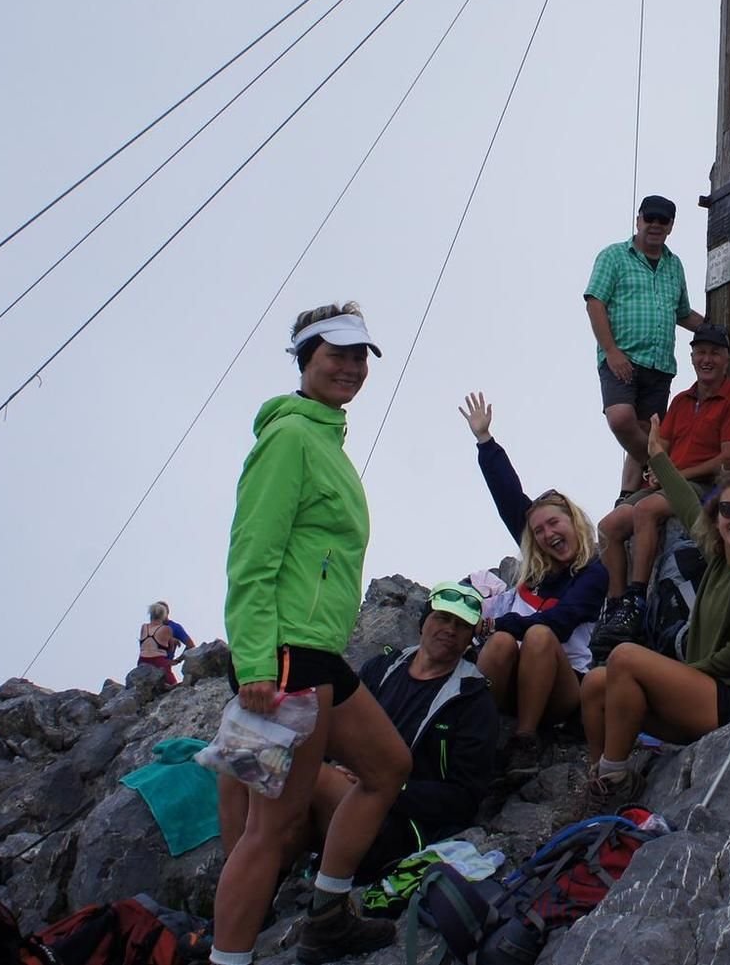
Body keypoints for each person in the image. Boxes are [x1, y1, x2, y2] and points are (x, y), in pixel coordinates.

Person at [211, 302, 412, 965]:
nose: (351, 367)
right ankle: (229, 958)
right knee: (273, 829)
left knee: (387, 766)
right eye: (337, 354)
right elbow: (252, 555)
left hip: (318, 652)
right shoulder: (290, 438)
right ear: (305, 360)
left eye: (360, 357)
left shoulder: (325, 440)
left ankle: (327, 912)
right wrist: (256, 661)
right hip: (287, 655)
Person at [215, 582, 496, 890]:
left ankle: (324, 907)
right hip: (339, 799)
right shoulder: (382, 668)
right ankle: (242, 897)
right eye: (442, 618)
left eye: (461, 625)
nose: (450, 630)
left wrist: (390, 787)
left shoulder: (472, 698)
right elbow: (328, 724)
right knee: (239, 768)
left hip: (402, 824)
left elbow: (465, 798)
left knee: (310, 778)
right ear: (423, 621)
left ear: (471, 638)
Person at [576, 416, 730, 812]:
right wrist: (657, 457)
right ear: (718, 516)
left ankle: (613, 774)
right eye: (729, 509)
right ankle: (605, 782)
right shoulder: (722, 557)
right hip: (708, 691)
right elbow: (689, 505)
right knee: (595, 684)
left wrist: (690, 673)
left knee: (624, 656)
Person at [459, 392, 606, 778]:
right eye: (538, 530)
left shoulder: (593, 572)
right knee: (503, 643)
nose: (546, 534)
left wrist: (497, 624)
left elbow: (560, 622)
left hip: (562, 687)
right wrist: (486, 442)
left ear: (573, 521)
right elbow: (509, 498)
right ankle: (471, 736)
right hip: (512, 677)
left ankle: (525, 740)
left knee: (538, 635)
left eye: (555, 523)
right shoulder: (537, 571)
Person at [589, 324, 730, 660]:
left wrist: (673, 474)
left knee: (645, 511)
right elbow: (659, 444)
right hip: (666, 481)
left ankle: (636, 598)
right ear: (692, 357)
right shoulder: (680, 400)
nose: (706, 359)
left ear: (726, 358)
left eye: (714, 353)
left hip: (703, 486)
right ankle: (617, 605)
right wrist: (655, 467)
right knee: (608, 526)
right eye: (701, 352)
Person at [584, 194, 707, 495]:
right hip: (622, 357)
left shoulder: (674, 265)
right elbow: (595, 302)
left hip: (660, 364)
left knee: (645, 431)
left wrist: (716, 328)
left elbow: (683, 313)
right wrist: (611, 351)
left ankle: (627, 494)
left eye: (662, 220)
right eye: (649, 218)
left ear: (671, 226)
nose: (654, 225)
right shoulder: (613, 256)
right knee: (621, 418)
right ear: (638, 220)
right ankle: (663, 471)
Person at [137, 600, 195, 686]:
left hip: (150, 663)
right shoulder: (166, 628)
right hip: (161, 663)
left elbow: (190, 645)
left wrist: (178, 660)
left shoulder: (174, 627)